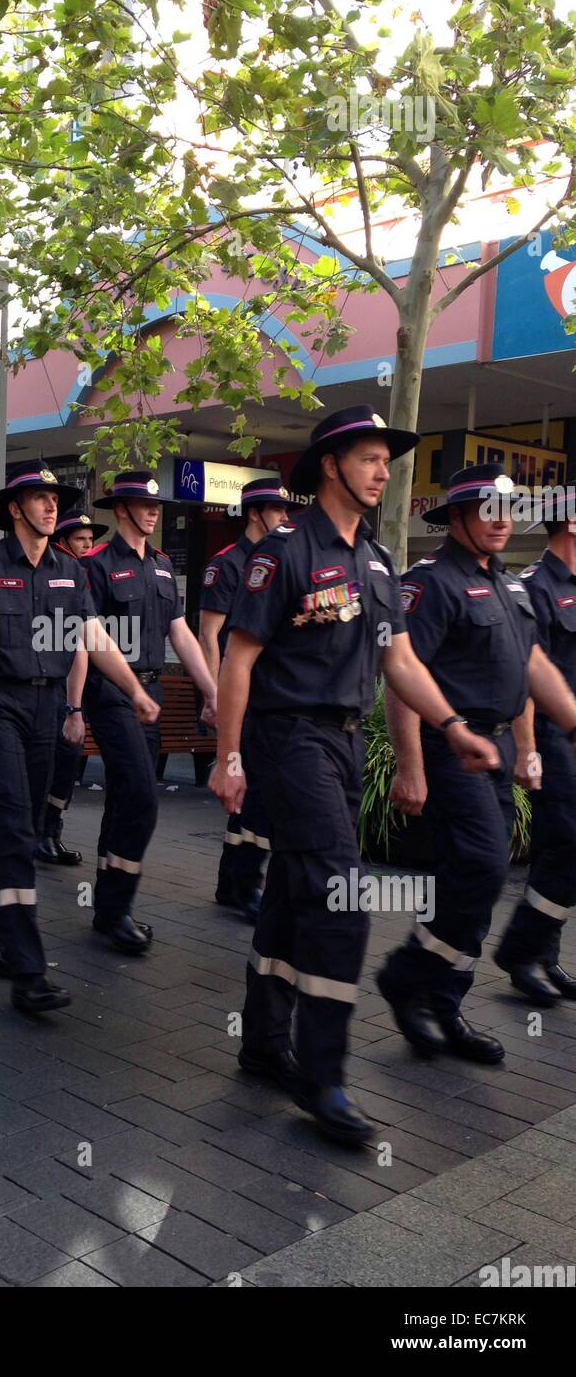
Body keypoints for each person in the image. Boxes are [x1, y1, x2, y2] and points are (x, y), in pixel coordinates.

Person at [211, 406, 503, 1144]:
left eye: (385, 459)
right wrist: (228, 756)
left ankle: (264, 1044)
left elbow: (399, 661)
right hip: (289, 739)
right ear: (331, 465)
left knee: (288, 895)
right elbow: (239, 659)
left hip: (342, 743)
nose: (383, 470)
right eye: (370, 458)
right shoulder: (283, 552)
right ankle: (324, 1080)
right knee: (342, 899)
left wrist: (452, 728)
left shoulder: (377, 561)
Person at [0, 462, 161, 1015]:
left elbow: (94, 637)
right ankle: (29, 971)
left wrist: (134, 691)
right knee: (15, 829)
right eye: (40, 498)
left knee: (16, 835)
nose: (52, 506)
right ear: (14, 508)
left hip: (48, 709)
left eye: (55, 498)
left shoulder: (70, 571)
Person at [378, 467, 576, 1058]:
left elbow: (531, 668)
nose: (500, 520)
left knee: (471, 878)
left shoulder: (512, 589)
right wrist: (408, 766)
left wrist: (552, 734)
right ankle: (409, 976)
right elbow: (400, 679)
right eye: (487, 509)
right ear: (457, 517)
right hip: (447, 750)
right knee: (484, 866)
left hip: (495, 748)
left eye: (508, 509)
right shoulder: (429, 584)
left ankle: (442, 1002)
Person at [80, 473, 217, 953]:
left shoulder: (160, 567)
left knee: (125, 796)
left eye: (157, 503)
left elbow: (180, 632)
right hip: (115, 694)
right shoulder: (96, 565)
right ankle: (117, 910)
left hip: (153, 694)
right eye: (143, 503)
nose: (154, 510)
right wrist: (79, 705)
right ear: (120, 509)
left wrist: (211, 689)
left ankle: (107, 906)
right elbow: (87, 637)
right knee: (141, 795)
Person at [494, 484, 576, 1004]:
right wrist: (528, 751)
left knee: (560, 849)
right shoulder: (535, 587)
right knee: (569, 841)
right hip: (551, 734)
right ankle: (522, 950)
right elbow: (527, 678)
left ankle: (543, 954)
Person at [199, 477, 291, 920]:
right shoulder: (229, 564)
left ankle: (236, 882)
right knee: (250, 792)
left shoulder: (280, 560)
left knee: (259, 794)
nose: (286, 519)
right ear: (256, 514)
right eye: (278, 511)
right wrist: (215, 693)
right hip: (243, 693)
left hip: (272, 691)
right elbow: (209, 634)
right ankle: (240, 883)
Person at [35, 512, 109, 866]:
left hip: (81, 681)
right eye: (81, 540)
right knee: (53, 762)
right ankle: (40, 834)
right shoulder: (58, 572)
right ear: (63, 541)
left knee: (66, 763)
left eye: (90, 540)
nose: (87, 546)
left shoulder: (81, 573)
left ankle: (51, 832)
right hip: (54, 682)